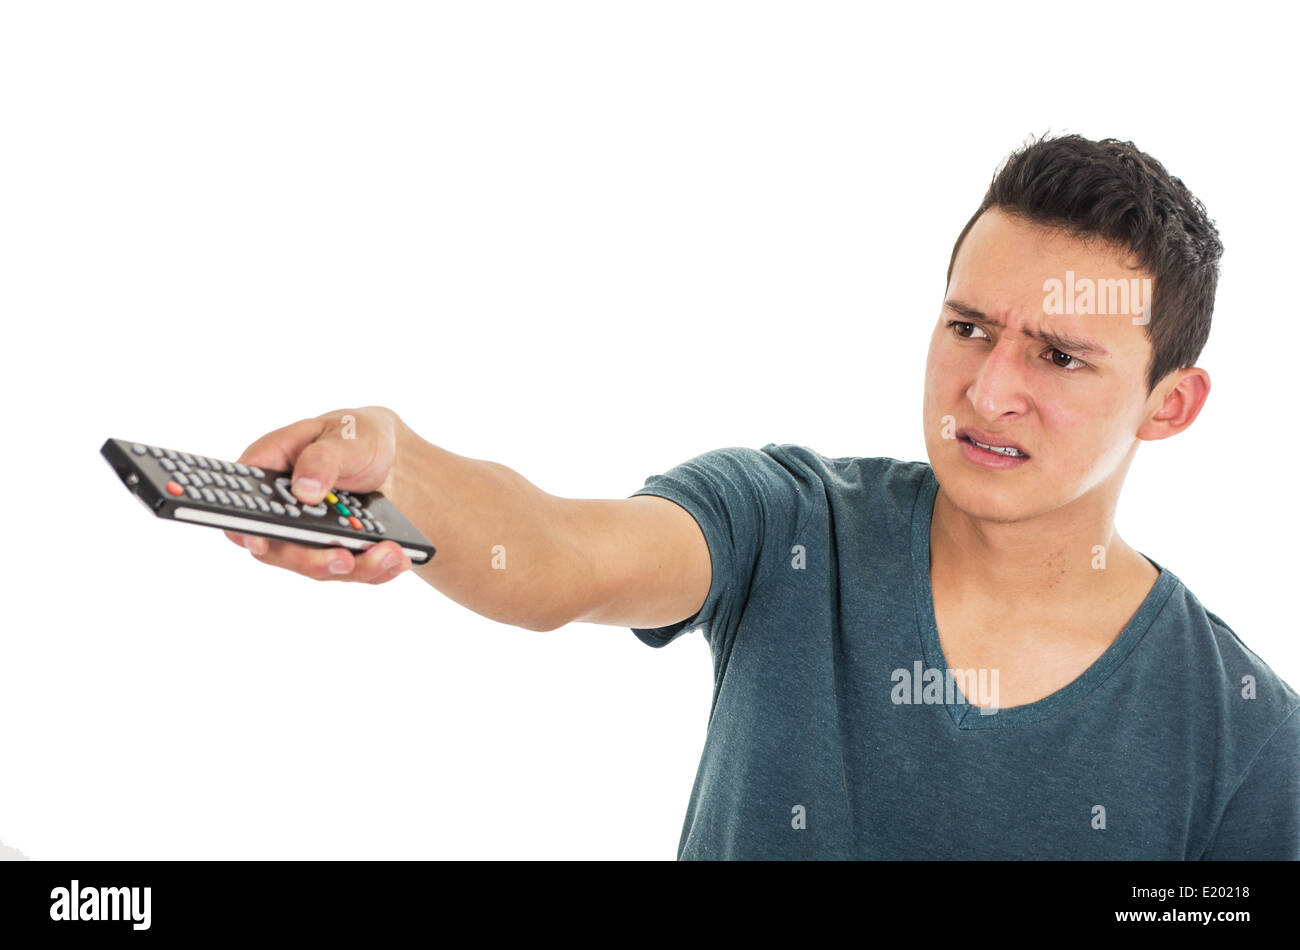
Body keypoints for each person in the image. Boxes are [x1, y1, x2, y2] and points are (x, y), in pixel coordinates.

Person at [227, 133, 1299, 860]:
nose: (985, 389)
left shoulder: (1244, 737)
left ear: (1169, 404)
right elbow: (556, 554)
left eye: (1058, 357)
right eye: (968, 326)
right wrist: (402, 470)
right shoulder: (790, 521)